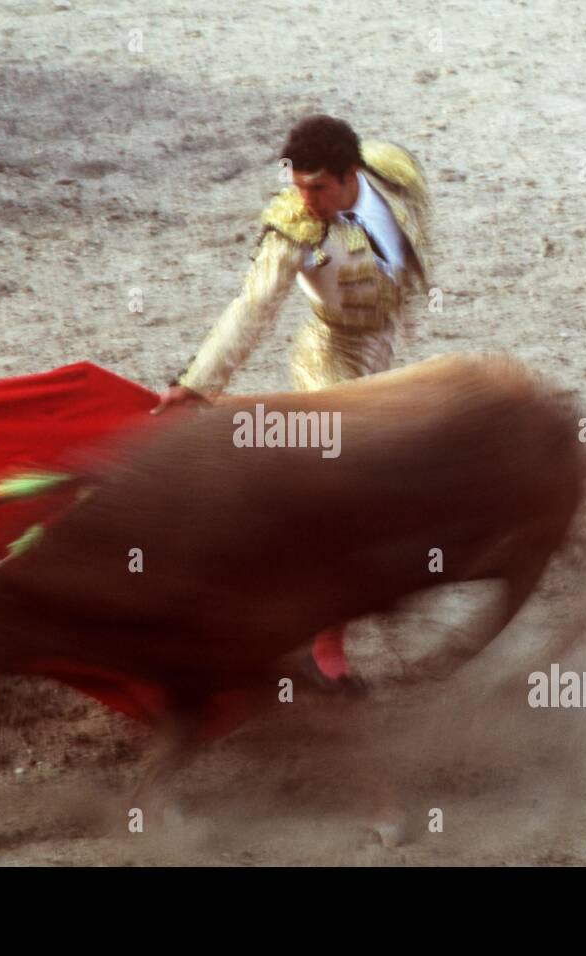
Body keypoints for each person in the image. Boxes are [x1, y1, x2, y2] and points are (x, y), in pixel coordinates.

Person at [153, 114, 434, 693]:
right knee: (338, 494)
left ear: (352, 172)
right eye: (297, 185)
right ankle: (323, 650)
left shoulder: (395, 171)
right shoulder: (293, 227)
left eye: (317, 188)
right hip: (332, 358)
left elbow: (414, 240)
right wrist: (199, 383)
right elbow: (252, 308)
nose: (303, 199)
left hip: (382, 354)